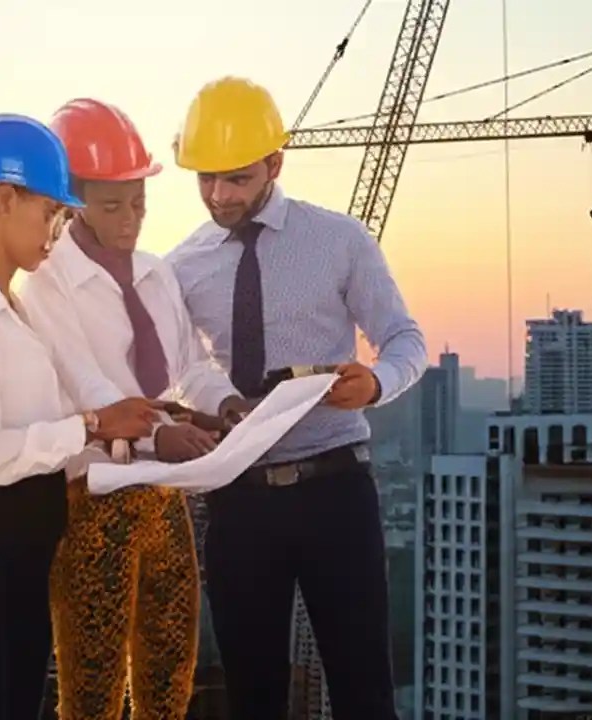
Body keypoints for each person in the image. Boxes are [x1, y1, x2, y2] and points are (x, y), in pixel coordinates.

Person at [166, 77, 428, 720]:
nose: (219, 195)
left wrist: (376, 382)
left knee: (364, 691)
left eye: (236, 178)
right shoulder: (181, 266)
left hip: (335, 493)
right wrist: (224, 404)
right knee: (252, 696)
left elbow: (405, 339)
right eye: (206, 179)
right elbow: (183, 366)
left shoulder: (339, 240)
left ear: (275, 165)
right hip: (239, 501)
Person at [0, 113, 159, 719]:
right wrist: (93, 426)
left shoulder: (9, 307)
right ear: (4, 199)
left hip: (17, 559)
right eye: (51, 211)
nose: (58, 230)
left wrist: (125, 423)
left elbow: (38, 429)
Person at [19, 98, 252, 720]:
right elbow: (86, 384)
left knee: (169, 677)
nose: (130, 221)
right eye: (112, 206)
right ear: (72, 201)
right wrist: (158, 434)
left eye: (139, 203)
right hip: (92, 502)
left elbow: (190, 366)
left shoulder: (156, 275)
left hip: (165, 498)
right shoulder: (46, 284)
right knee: (92, 688)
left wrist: (226, 405)